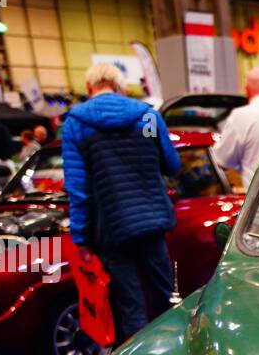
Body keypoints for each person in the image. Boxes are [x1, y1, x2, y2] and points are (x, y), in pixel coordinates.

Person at [61, 62, 181, 340]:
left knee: (131, 306)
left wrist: (80, 238)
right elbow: (172, 164)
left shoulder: (76, 124)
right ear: (119, 87)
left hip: (112, 229)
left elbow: (77, 188)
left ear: (89, 88)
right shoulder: (147, 117)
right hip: (152, 222)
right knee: (165, 297)